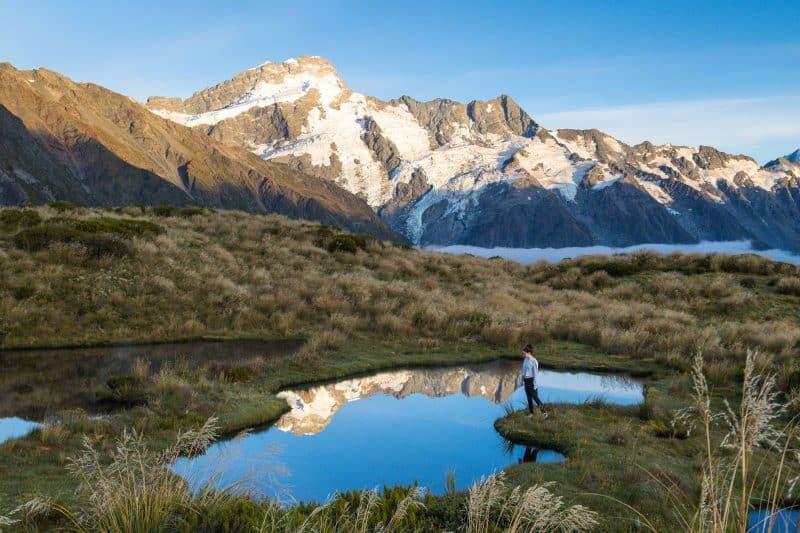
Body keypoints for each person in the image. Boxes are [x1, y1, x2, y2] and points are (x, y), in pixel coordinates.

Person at [522, 344, 547, 419]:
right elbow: (523, 370)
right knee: (528, 398)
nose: (523, 354)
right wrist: (523, 379)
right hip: (526, 381)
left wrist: (535, 384)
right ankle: (531, 413)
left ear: (529, 352)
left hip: (531, 381)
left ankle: (544, 413)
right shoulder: (525, 360)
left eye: (524, 352)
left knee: (535, 398)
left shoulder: (534, 361)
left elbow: (536, 374)